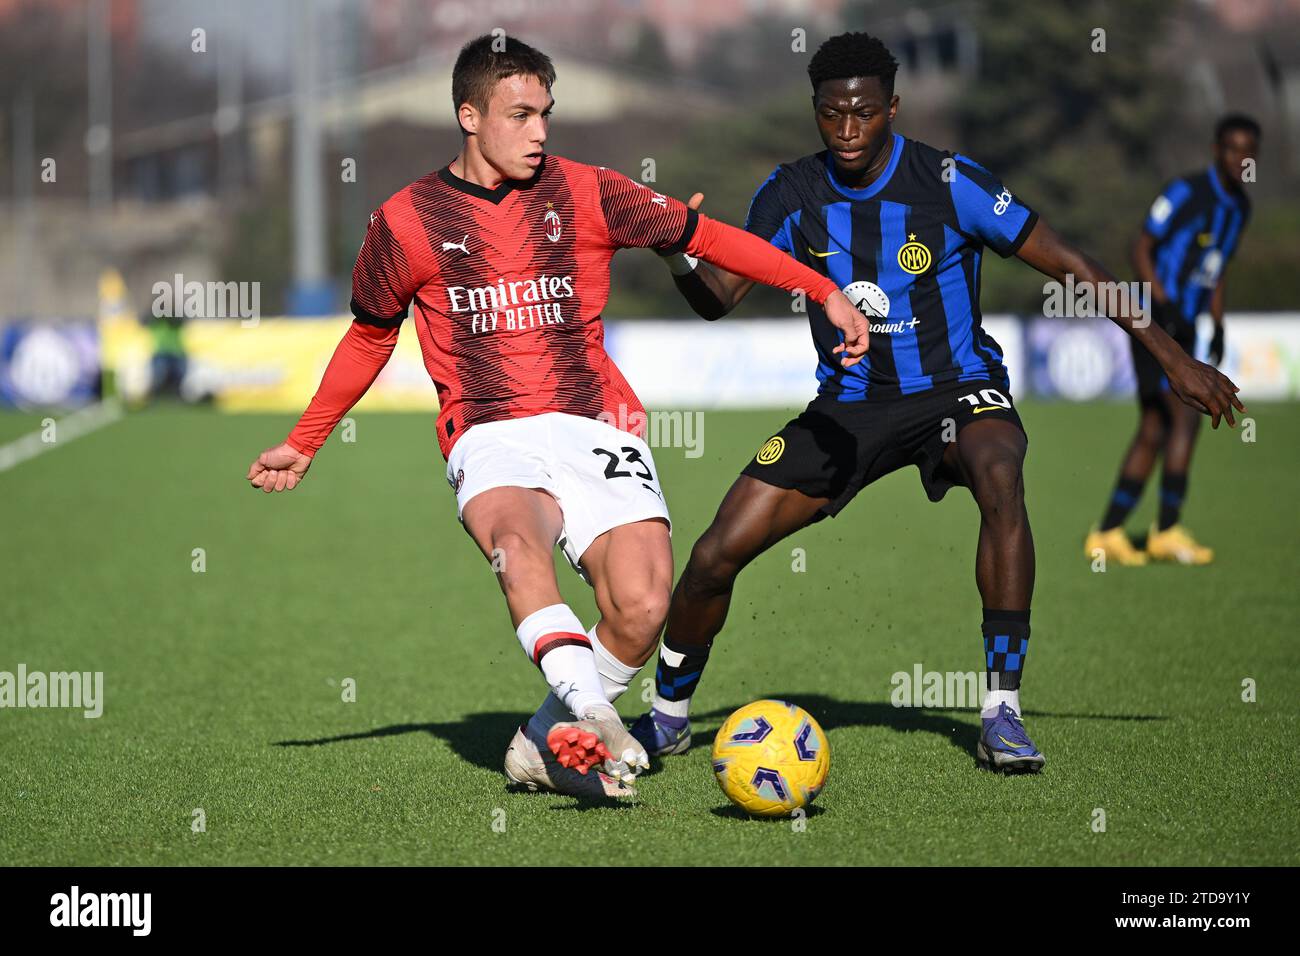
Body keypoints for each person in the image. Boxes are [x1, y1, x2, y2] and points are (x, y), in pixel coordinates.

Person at [245, 34, 869, 799]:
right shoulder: (404, 221)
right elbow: (371, 335)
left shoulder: (594, 192)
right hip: (489, 430)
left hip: (596, 423)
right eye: (520, 115)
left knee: (642, 606)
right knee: (517, 544)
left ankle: (543, 739)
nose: (539, 130)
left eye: (546, 112)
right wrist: (305, 441)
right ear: (469, 116)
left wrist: (823, 290)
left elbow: (710, 239)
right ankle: (596, 715)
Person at [630, 32, 1243, 773]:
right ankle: (668, 717)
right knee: (713, 556)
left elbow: (1072, 263)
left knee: (1000, 472)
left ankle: (1002, 713)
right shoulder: (790, 192)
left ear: (892, 107)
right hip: (850, 408)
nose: (847, 129)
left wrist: (1174, 358)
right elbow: (717, 300)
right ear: (815, 110)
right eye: (831, 114)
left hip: (957, 389)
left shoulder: (950, 181)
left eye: (863, 112)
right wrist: (677, 253)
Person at [1086, 114, 1258, 566]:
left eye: (1248, 151)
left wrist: (1217, 325)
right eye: (1233, 149)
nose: (1241, 159)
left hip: (1187, 327)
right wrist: (1161, 307)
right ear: (1216, 150)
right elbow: (1140, 247)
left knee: (1156, 425)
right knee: (1185, 416)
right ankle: (1164, 530)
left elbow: (1216, 270)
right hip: (1154, 323)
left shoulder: (1240, 208)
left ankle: (1108, 533)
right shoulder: (1187, 191)